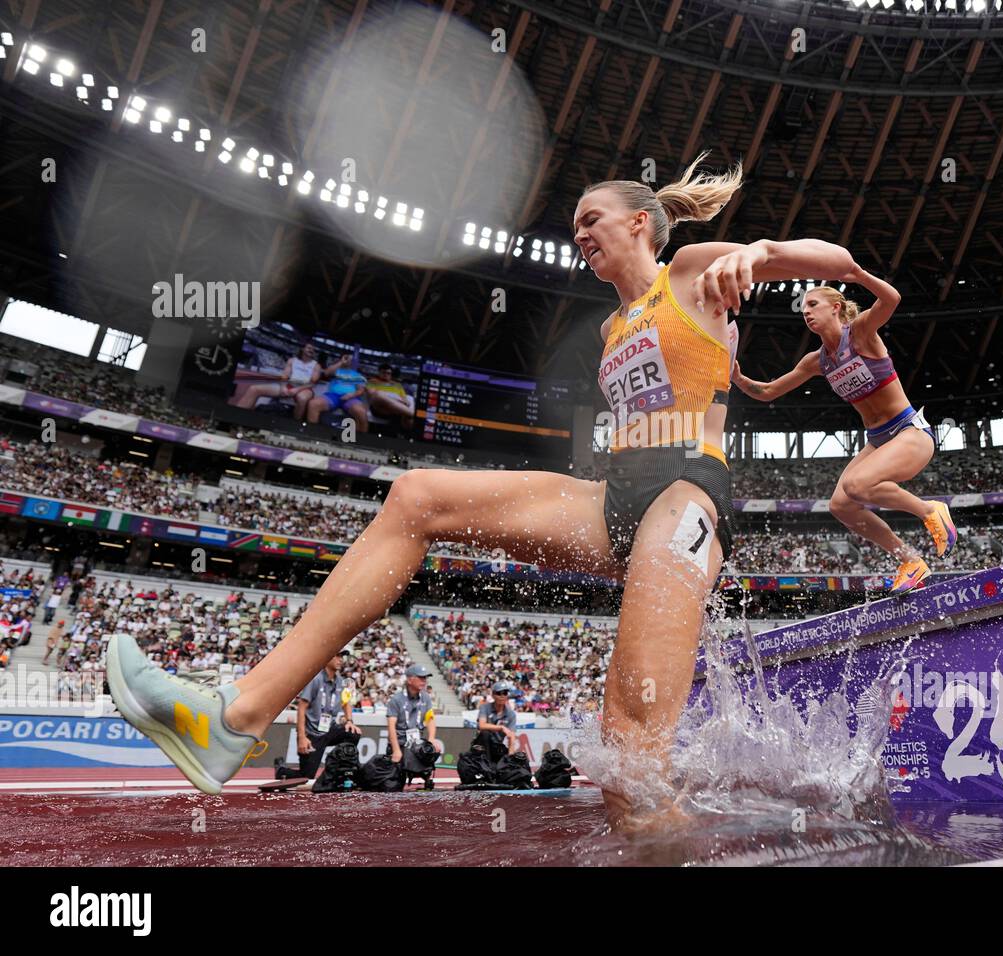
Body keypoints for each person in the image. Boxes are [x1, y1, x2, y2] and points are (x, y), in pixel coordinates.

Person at [105, 151, 882, 827]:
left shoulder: (690, 272)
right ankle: (234, 716)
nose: (579, 234)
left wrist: (763, 253)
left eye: (591, 218)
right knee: (416, 497)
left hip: (687, 494)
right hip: (617, 496)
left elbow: (835, 258)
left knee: (630, 774)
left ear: (642, 224)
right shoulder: (614, 330)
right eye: (575, 224)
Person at [732, 284, 956, 593]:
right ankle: (910, 560)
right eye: (803, 309)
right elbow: (769, 391)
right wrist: (739, 379)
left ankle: (930, 511)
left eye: (812, 304)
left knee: (857, 485)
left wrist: (856, 274)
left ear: (836, 307)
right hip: (879, 440)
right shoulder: (817, 361)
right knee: (841, 505)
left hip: (910, 432)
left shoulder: (861, 332)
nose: (806, 311)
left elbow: (892, 298)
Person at [294, 649, 360, 779]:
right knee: (306, 777)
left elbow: (346, 703)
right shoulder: (315, 679)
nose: (341, 659)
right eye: (337, 656)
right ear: (327, 657)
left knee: (353, 734)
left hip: (329, 730)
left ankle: (340, 770)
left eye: (342, 657)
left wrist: (349, 721)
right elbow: (301, 707)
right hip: (313, 734)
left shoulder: (342, 681)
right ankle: (281, 770)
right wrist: (302, 737)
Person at [233, 342, 322, 416]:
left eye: (313, 350)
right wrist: (283, 386)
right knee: (254, 389)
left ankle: (295, 423)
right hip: (290, 384)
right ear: (302, 349)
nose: (311, 350)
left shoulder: (316, 365)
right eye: (309, 348)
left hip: (305, 388)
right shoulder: (292, 360)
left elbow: (312, 383)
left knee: (302, 398)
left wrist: (296, 390)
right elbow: (284, 376)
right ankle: (238, 415)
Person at [386, 664, 436, 767]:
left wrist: (431, 742)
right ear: (409, 680)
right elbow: (391, 727)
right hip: (400, 743)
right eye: (421, 678)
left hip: (417, 743)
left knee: (435, 752)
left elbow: (430, 720)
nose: (424, 681)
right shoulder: (396, 700)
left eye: (425, 678)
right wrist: (396, 750)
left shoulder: (426, 697)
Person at [305, 353, 370, 429]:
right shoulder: (336, 370)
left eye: (351, 359)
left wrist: (350, 395)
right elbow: (326, 373)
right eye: (347, 358)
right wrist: (341, 362)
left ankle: (358, 439)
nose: (349, 360)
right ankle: (312, 433)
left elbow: (360, 391)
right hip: (333, 396)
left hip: (351, 398)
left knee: (361, 413)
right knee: (313, 404)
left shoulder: (358, 375)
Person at [365, 364, 415, 431]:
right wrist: (394, 399)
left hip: (397, 408)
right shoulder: (372, 382)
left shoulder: (397, 385)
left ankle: (408, 431)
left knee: (410, 399)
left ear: (391, 374)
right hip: (380, 406)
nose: (386, 374)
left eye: (388, 373)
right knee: (378, 394)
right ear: (379, 372)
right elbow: (372, 394)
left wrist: (400, 401)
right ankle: (413, 414)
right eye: (383, 372)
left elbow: (405, 400)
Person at [477, 681, 518, 755]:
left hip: (498, 746)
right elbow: (482, 725)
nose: (502, 696)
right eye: (499, 693)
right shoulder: (484, 707)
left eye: (505, 693)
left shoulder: (511, 714)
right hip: (481, 747)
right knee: (485, 733)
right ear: (493, 695)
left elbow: (512, 734)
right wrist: (501, 727)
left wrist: (511, 753)